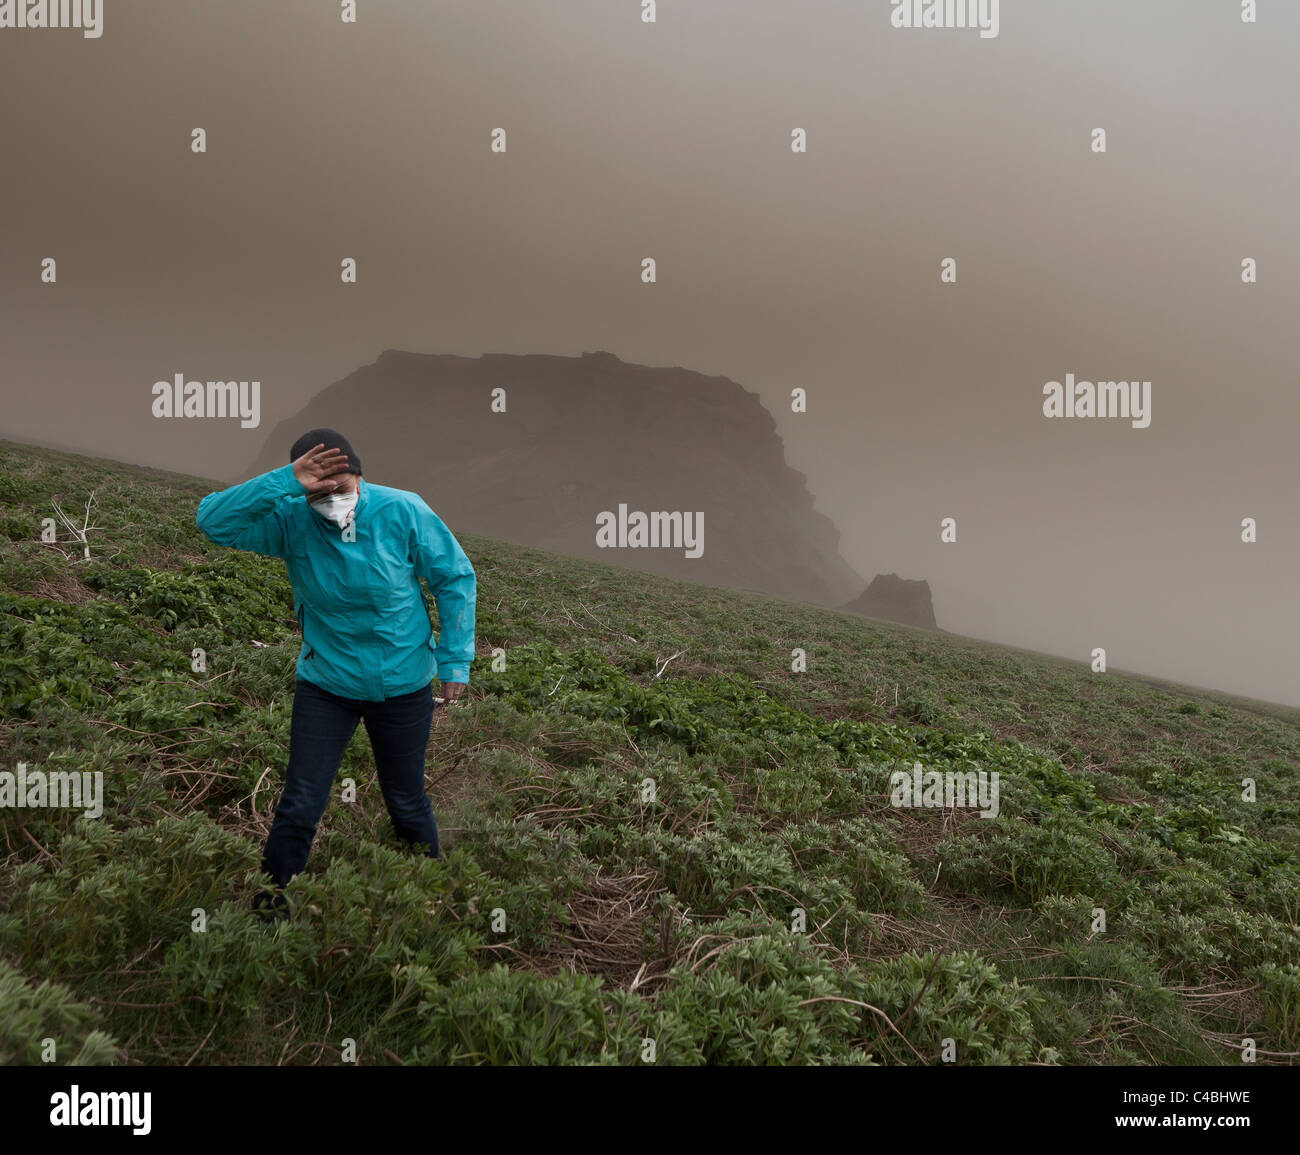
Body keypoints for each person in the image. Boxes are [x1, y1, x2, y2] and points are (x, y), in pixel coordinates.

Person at [196, 428, 476, 921]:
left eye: (342, 487)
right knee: (301, 802)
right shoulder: (289, 521)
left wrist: (455, 660)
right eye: (319, 492)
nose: (332, 500)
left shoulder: (402, 510)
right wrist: (286, 481)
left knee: (407, 800)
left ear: (361, 477)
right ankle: (268, 914)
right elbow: (213, 522)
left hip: (403, 683)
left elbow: (454, 577)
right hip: (326, 684)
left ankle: (425, 900)